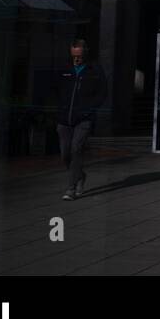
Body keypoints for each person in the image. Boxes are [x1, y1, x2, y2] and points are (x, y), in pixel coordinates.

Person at [55, 39, 107, 201]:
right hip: (64, 118)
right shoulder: (65, 69)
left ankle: (71, 188)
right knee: (65, 154)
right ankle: (80, 176)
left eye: (79, 56)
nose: (76, 59)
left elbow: (102, 93)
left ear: (85, 53)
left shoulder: (94, 70)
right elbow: (55, 89)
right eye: (74, 56)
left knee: (76, 149)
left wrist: (89, 110)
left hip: (83, 119)